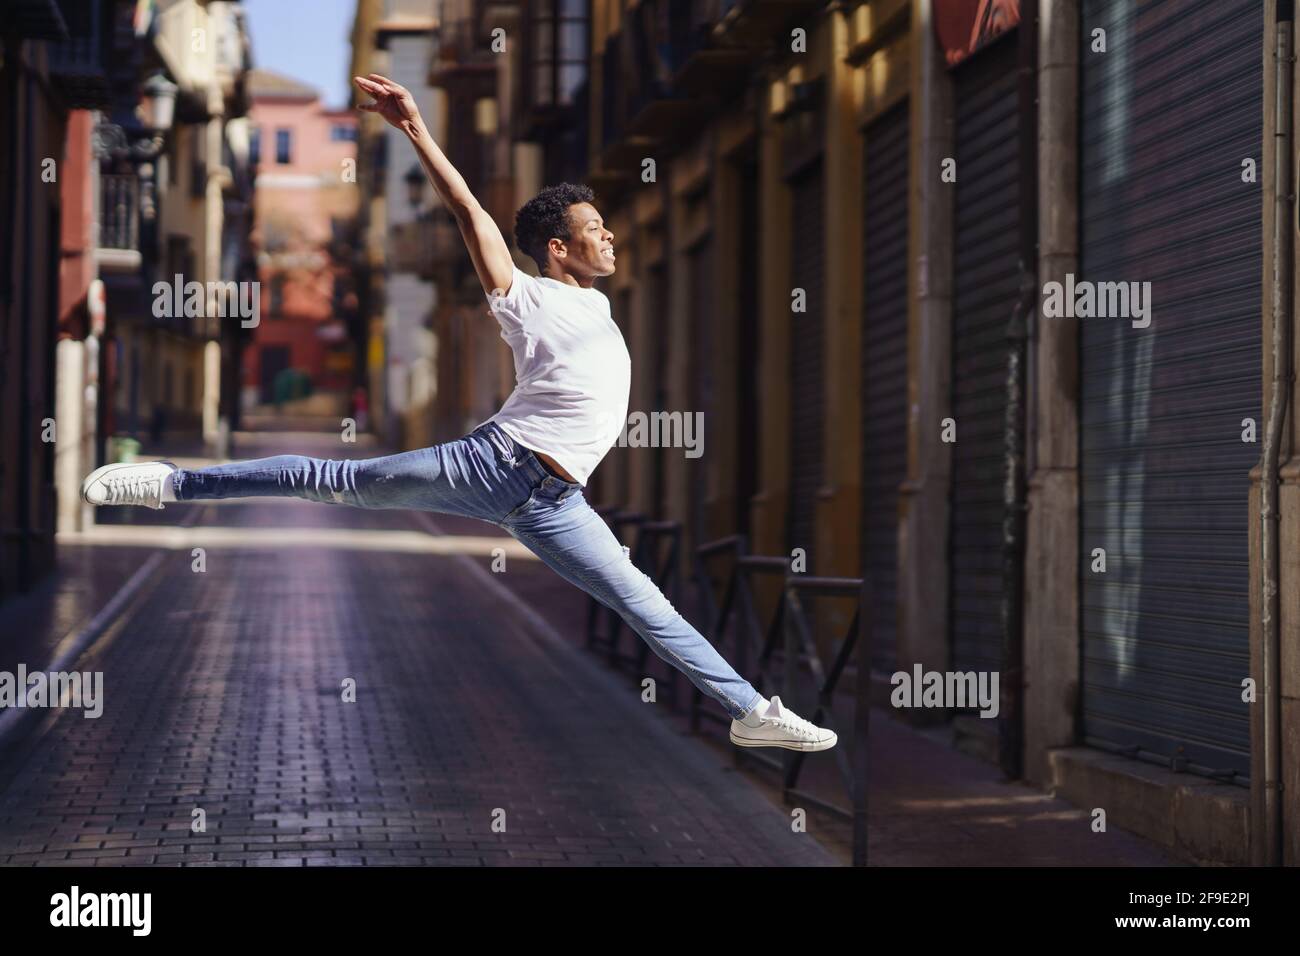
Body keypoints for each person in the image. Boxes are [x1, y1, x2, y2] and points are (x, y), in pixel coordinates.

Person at [80, 73, 835, 753]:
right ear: (555, 246)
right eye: (594, 227)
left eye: (607, 224)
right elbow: (469, 209)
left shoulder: (595, 303)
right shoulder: (524, 298)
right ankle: (169, 483)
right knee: (326, 479)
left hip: (557, 504)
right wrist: (414, 129)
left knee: (649, 605)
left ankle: (749, 710)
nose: (608, 233)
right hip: (492, 464)